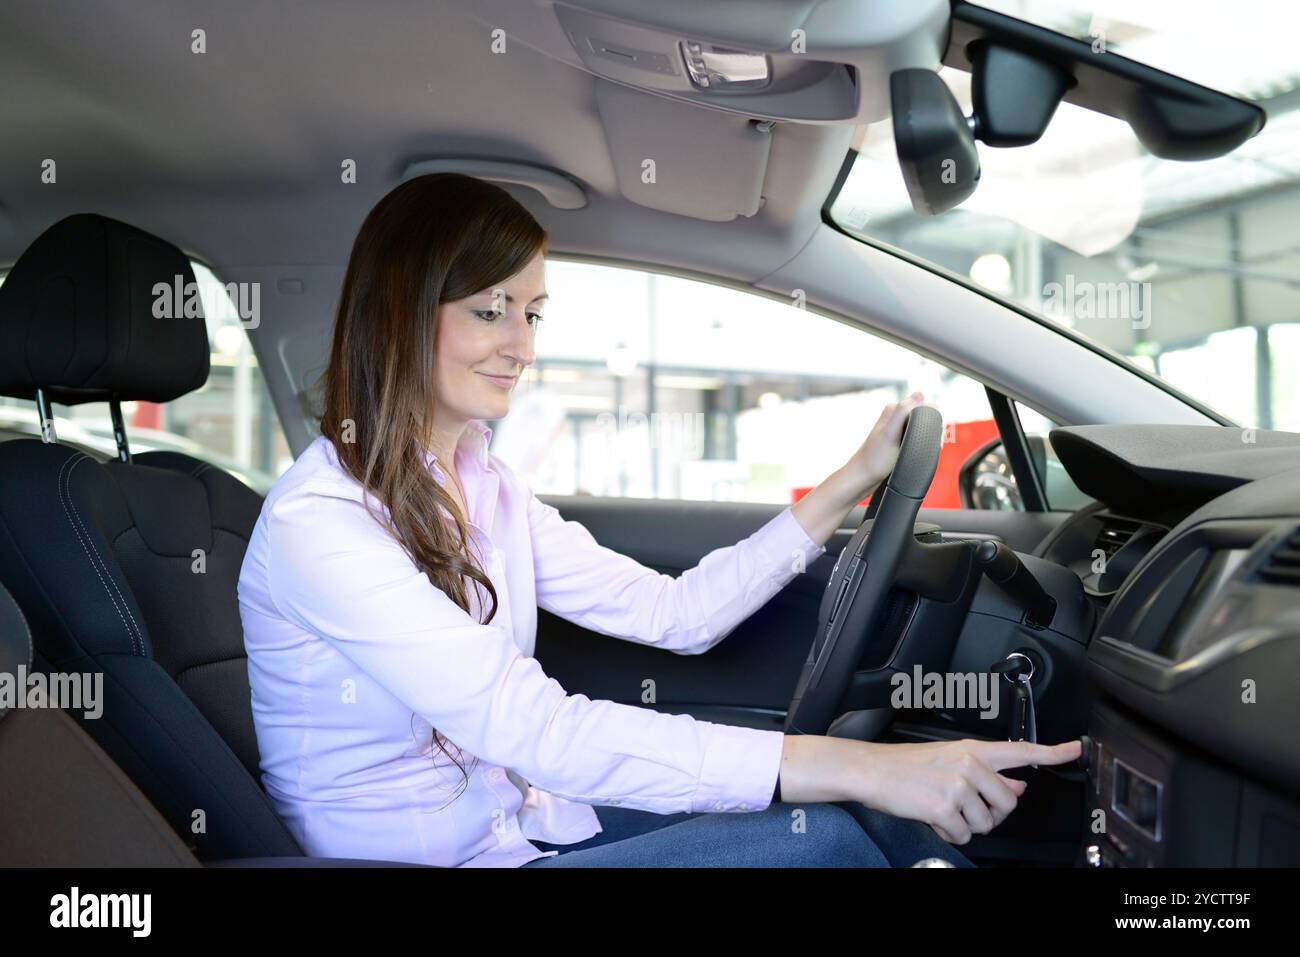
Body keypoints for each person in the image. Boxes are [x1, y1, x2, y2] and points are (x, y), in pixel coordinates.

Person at [236, 173, 1081, 868]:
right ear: (400, 312)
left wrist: (850, 483)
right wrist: (864, 767)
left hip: (517, 829)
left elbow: (677, 614)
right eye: (490, 309)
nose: (521, 343)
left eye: (532, 312)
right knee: (825, 838)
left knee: (868, 830)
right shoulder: (324, 525)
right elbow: (531, 726)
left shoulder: (485, 486)